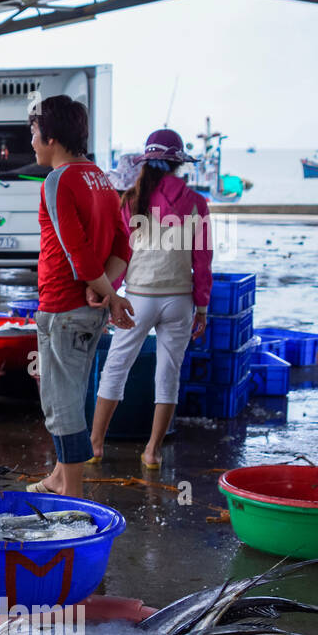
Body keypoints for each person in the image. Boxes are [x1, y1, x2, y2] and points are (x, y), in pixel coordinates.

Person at [23, 95, 134, 499]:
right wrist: (106, 288)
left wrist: (106, 291)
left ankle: (72, 495)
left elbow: (77, 253)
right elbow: (125, 246)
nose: (32, 142)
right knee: (73, 392)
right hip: (89, 310)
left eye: (34, 134)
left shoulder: (58, 180)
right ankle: (58, 475)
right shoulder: (102, 179)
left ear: (51, 137)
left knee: (60, 404)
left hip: (62, 308)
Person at [89, 129, 211, 468]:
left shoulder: (130, 200)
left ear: (147, 162)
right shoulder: (197, 203)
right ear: (177, 165)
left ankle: (96, 445)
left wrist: (105, 290)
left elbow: (121, 254)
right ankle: (152, 451)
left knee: (115, 369)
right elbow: (203, 261)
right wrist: (202, 307)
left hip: (137, 299)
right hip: (179, 301)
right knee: (168, 374)